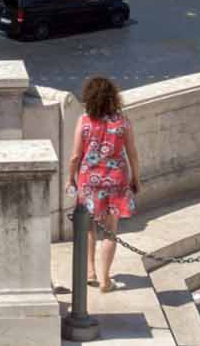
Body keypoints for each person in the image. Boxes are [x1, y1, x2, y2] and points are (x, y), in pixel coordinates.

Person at [69, 76, 139, 292]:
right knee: (110, 230)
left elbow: (75, 156)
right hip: (116, 180)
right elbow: (132, 154)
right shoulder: (122, 122)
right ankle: (105, 279)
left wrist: (70, 178)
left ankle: (90, 271)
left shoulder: (84, 121)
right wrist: (136, 178)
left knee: (89, 226)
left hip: (89, 180)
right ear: (113, 97)